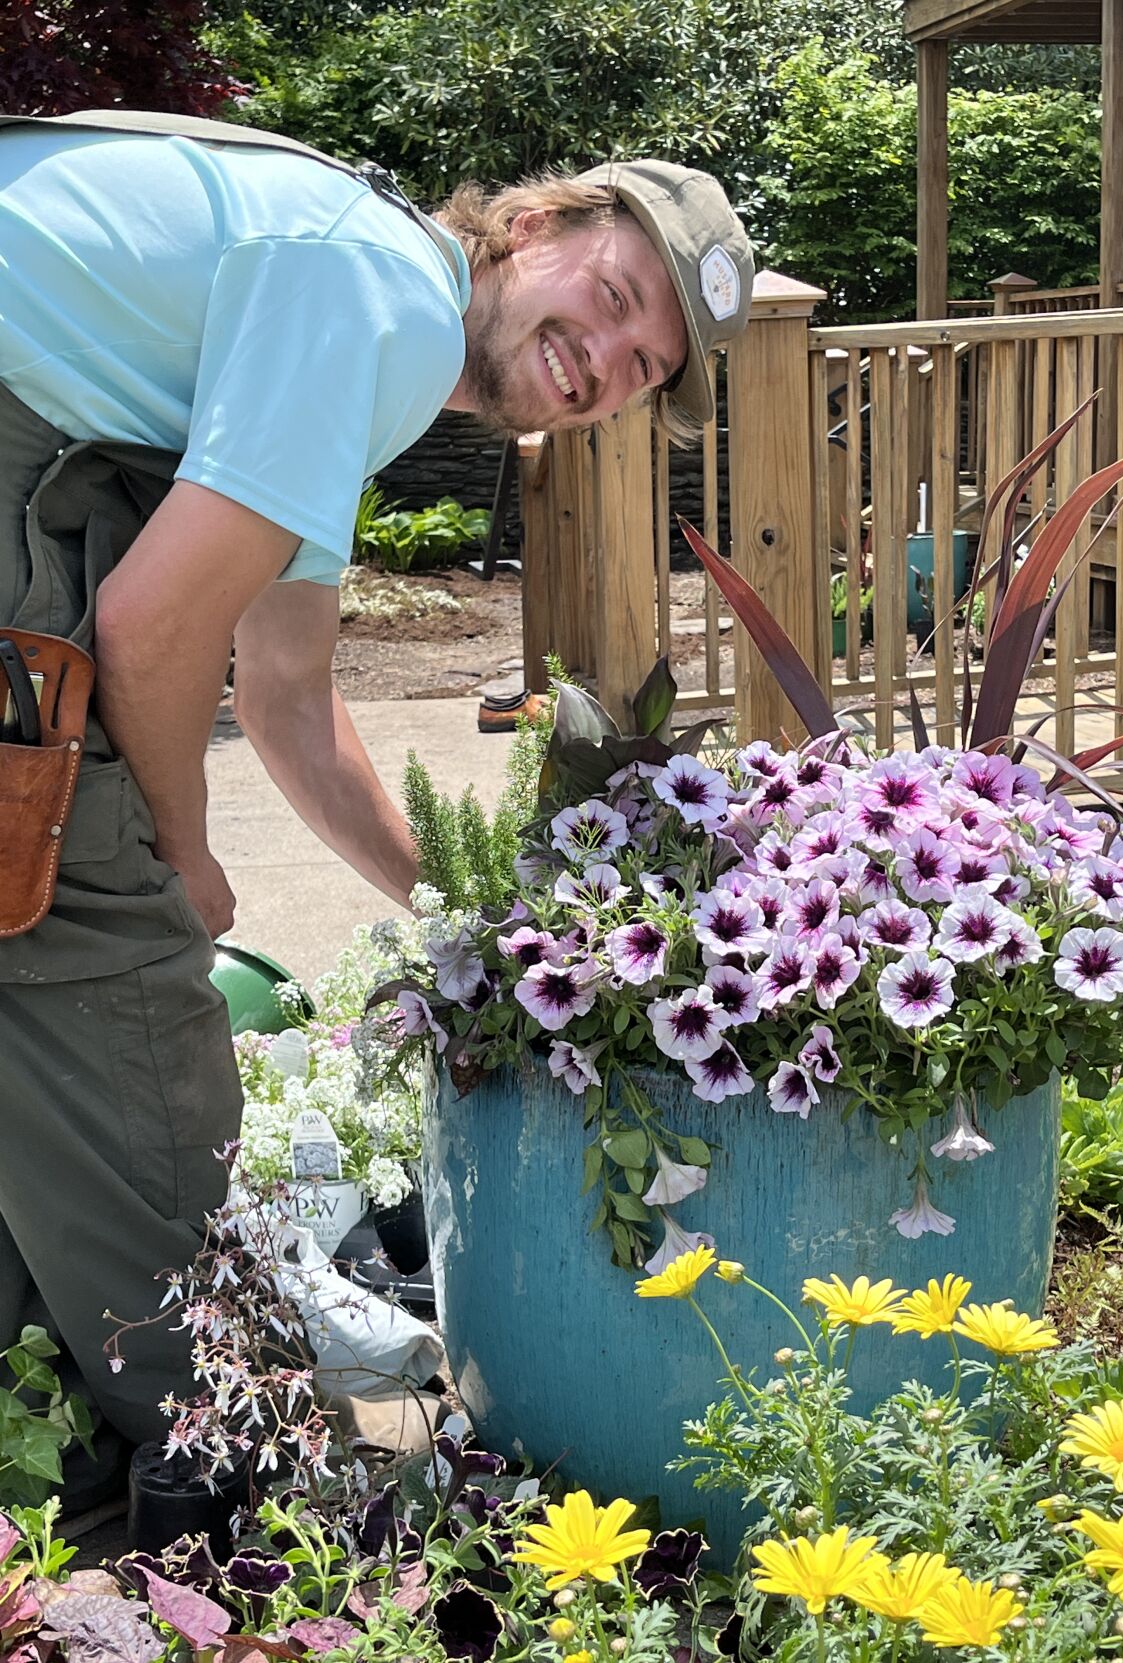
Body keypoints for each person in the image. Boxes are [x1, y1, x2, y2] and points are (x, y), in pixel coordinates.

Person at [0, 108, 755, 1516]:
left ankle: (43, 1440)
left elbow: (289, 695)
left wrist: (482, 928)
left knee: (32, 972)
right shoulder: (384, 301)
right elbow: (154, 629)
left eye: (642, 367)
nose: (604, 361)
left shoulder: (359, 306)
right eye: (613, 296)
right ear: (533, 223)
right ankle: (238, 1483)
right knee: (120, 972)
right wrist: (181, 854)